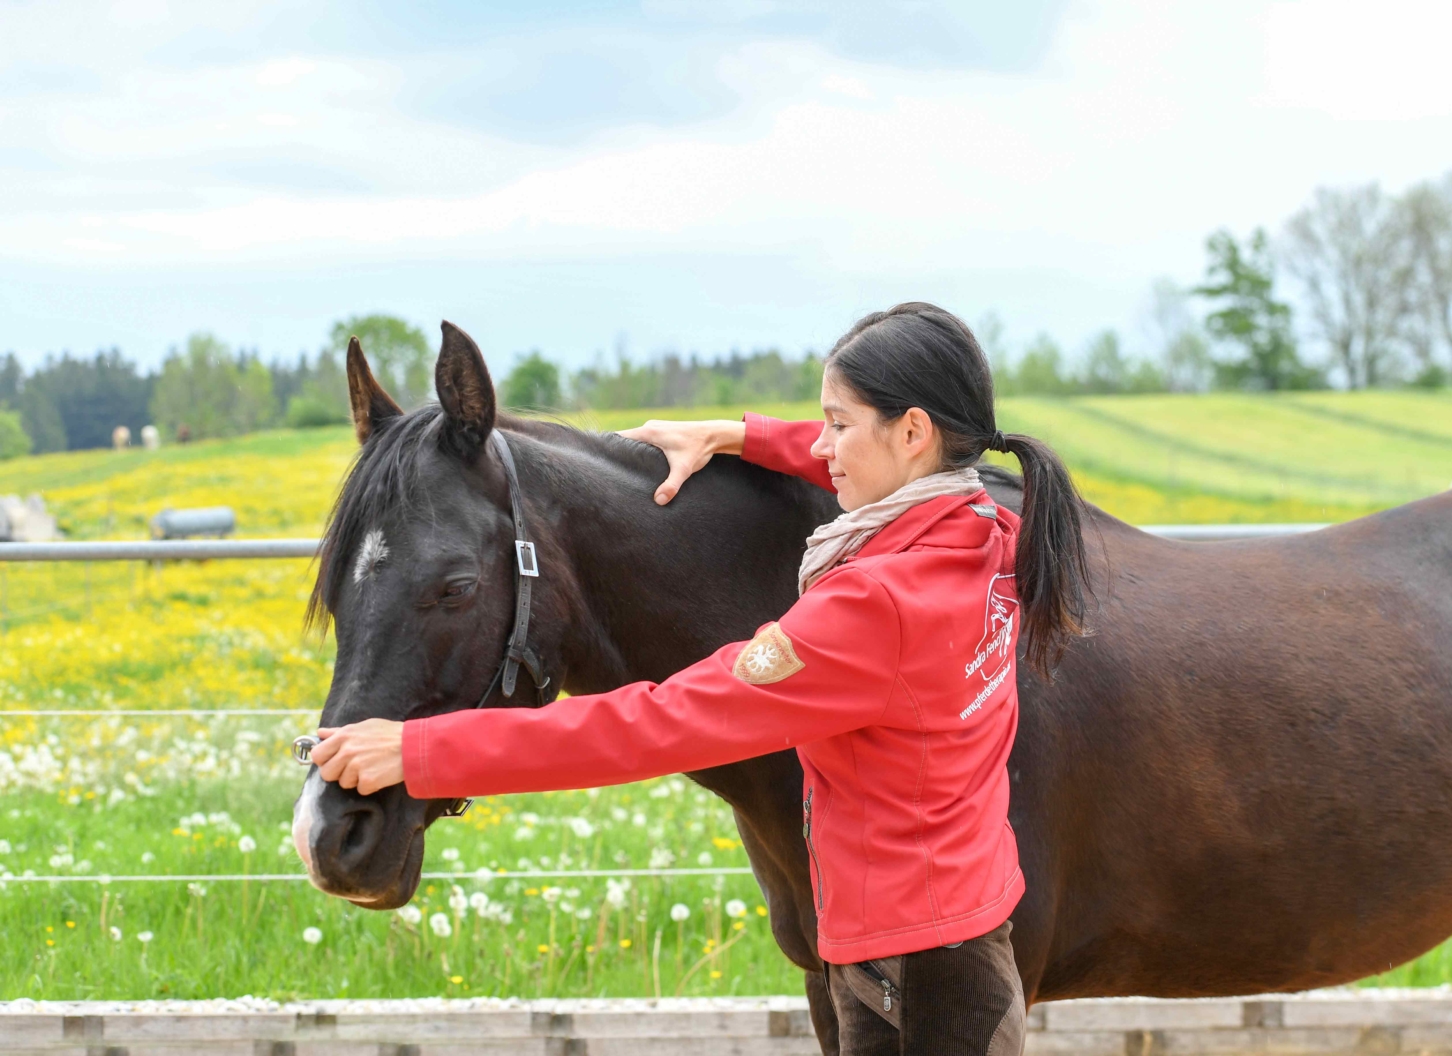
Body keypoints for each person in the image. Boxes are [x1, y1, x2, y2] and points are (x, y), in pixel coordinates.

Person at [311, 302, 1091, 1055]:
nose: (821, 447)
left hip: (915, 977)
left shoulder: (873, 607)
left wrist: (424, 753)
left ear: (914, 431)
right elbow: (887, 458)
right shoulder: (986, 531)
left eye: (838, 425)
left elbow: (657, 724)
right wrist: (740, 436)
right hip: (945, 936)